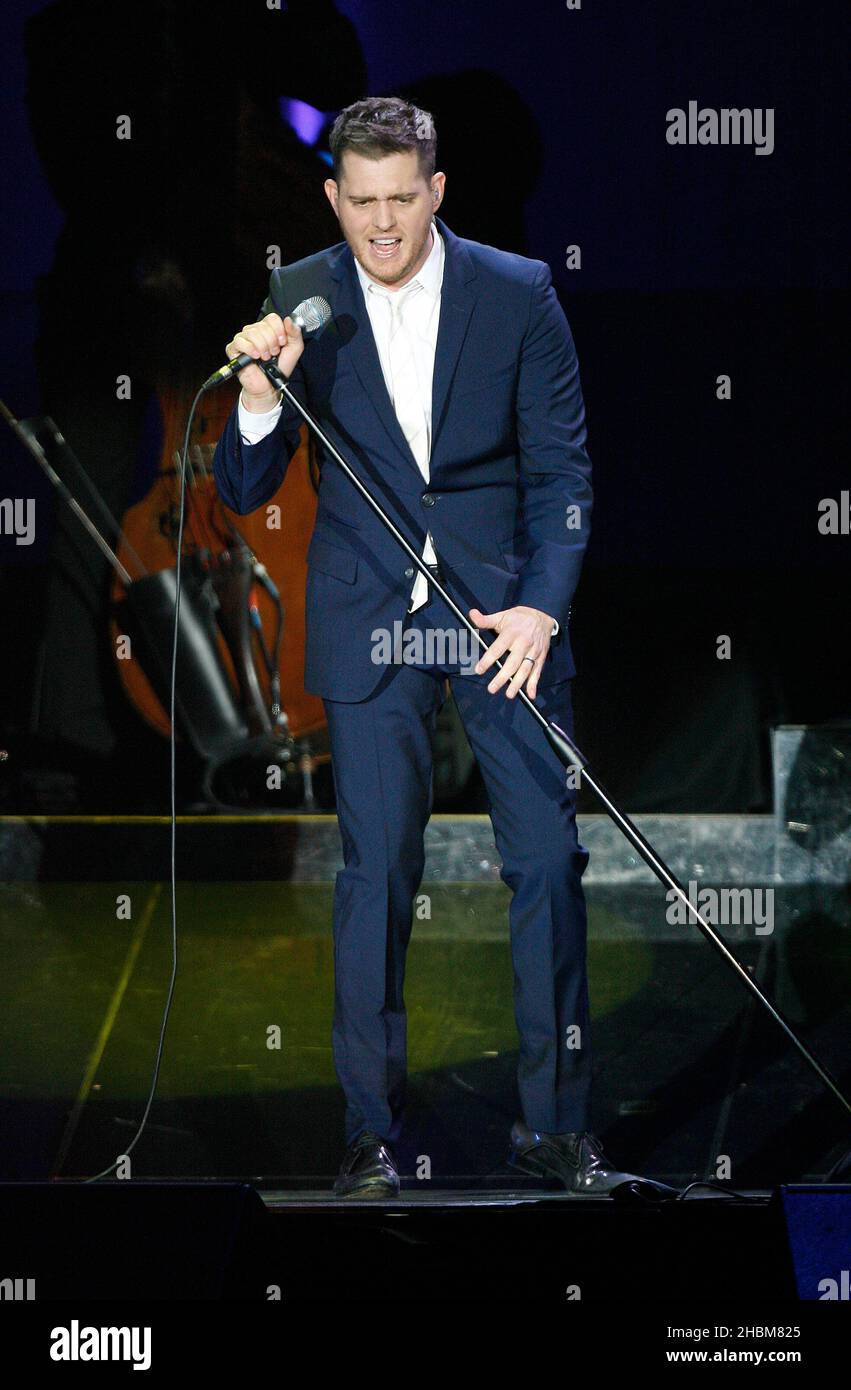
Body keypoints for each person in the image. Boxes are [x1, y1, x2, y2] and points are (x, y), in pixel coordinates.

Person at [213, 96, 642, 1198]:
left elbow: (563, 474)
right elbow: (245, 489)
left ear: (435, 189)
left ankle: (555, 1130)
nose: (382, 224)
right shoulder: (299, 297)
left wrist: (541, 609)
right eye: (361, 201)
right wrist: (258, 396)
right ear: (332, 198)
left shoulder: (517, 291)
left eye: (402, 199)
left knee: (544, 864)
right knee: (377, 875)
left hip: (503, 621)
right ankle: (370, 1134)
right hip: (370, 618)